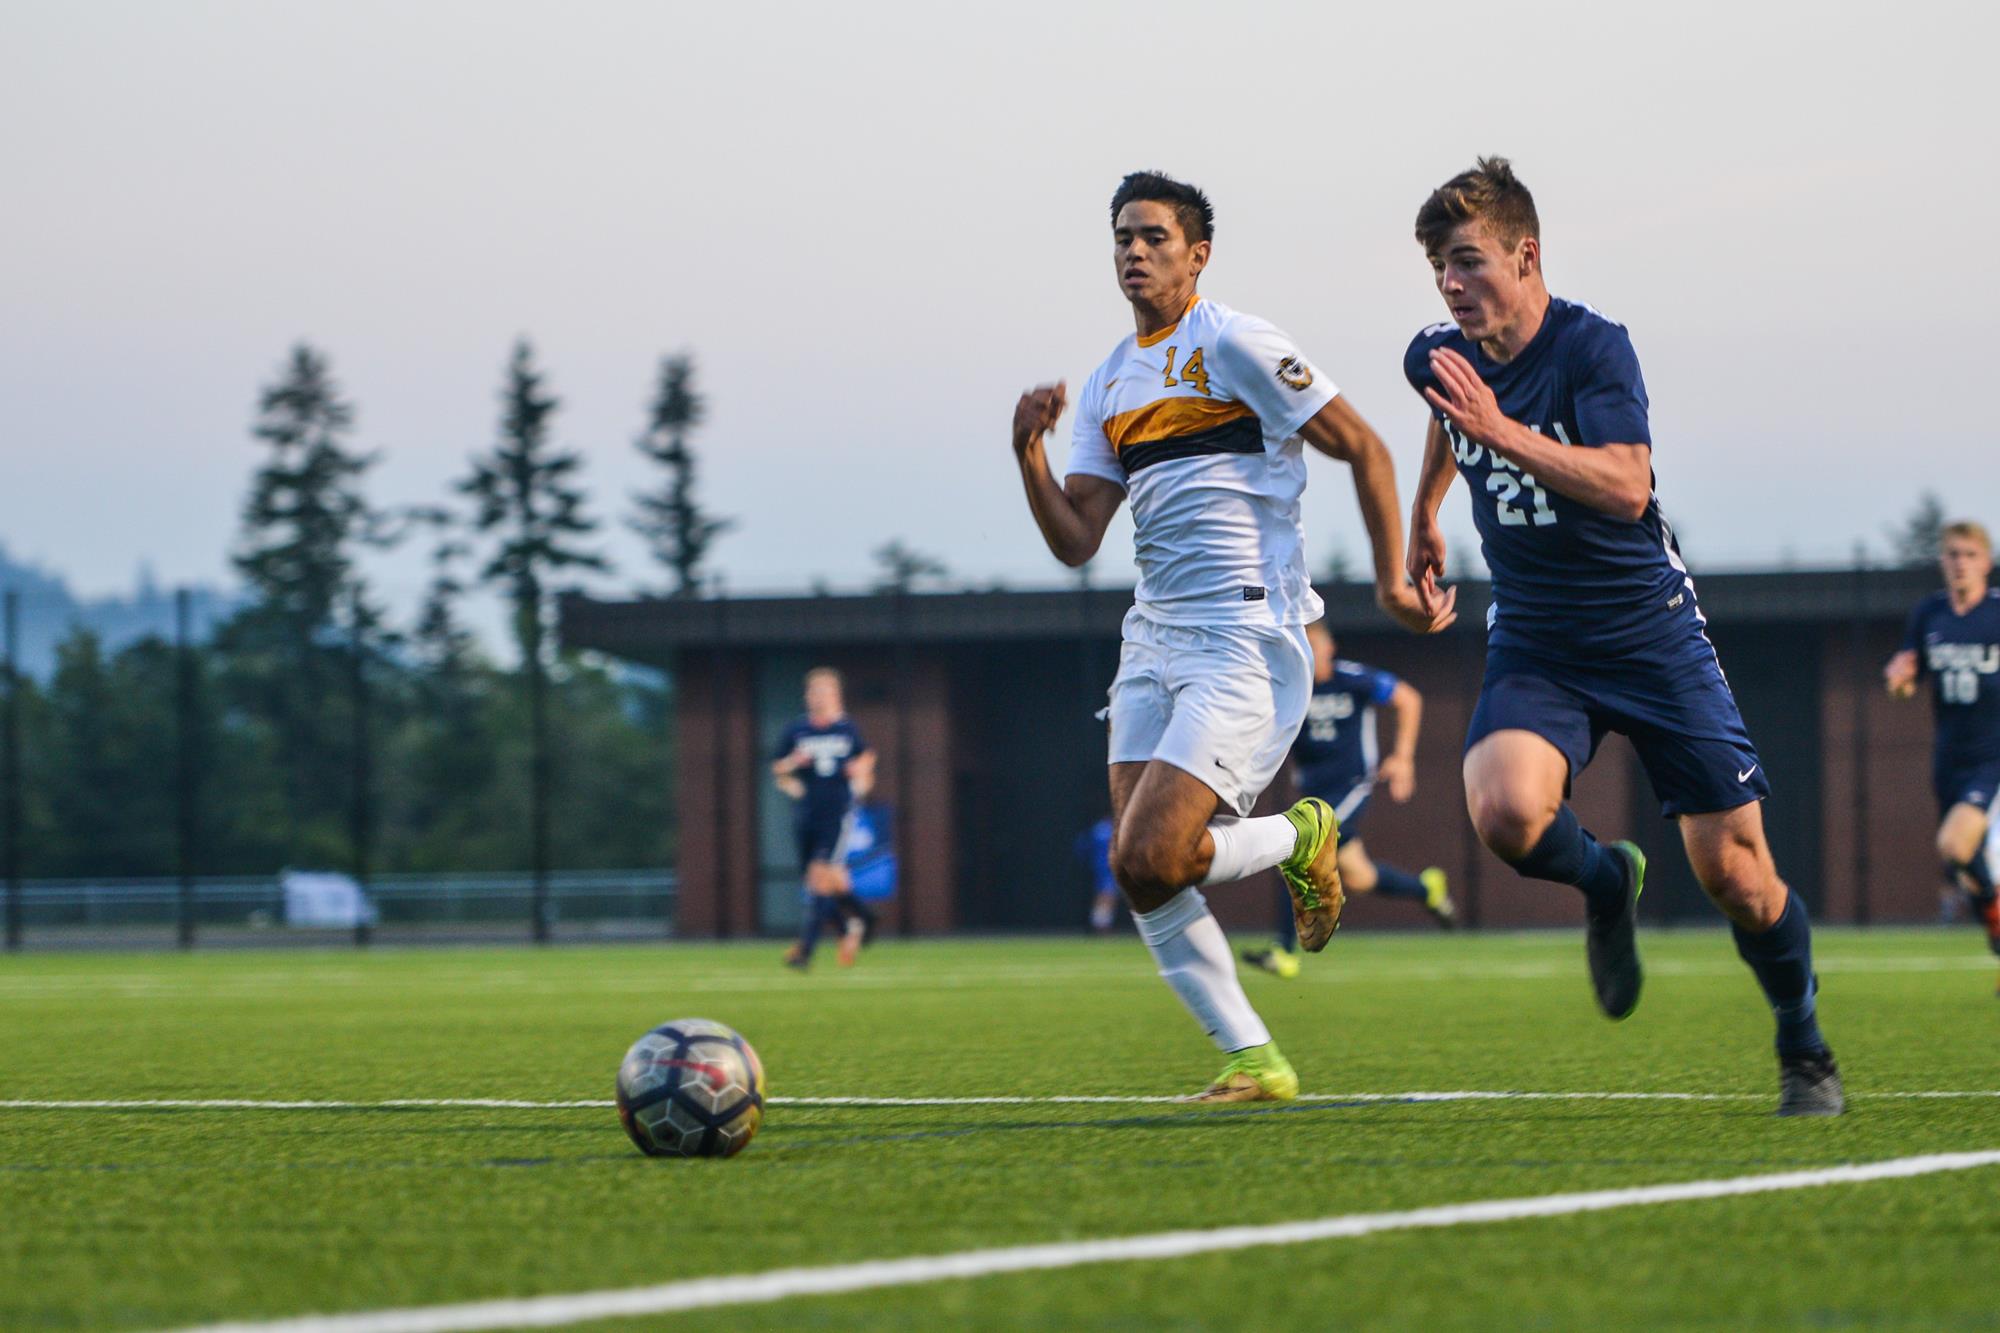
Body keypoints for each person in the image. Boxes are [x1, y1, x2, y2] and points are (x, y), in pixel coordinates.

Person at [1401, 157, 1842, 1115]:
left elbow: (1626, 485)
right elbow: (1447, 419)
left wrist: (1502, 432)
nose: (1450, 282)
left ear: (1527, 254)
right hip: (1537, 637)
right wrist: (1425, 510)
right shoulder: (1439, 355)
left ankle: (1803, 1043)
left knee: (1736, 873)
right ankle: (1608, 883)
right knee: (1505, 813)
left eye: (1468, 260)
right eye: (1438, 264)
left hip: (1650, 633)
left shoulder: (1595, 350)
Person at [1011, 170, 1452, 1103]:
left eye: (1156, 237)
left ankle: (1303, 832)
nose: (1135, 250)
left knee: (1149, 853)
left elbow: (1364, 447)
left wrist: (1387, 580)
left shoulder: (1238, 342)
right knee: (1143, 869)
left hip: (1243, 635)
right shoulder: (1105, 382)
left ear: (1197, 254)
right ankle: (1254, 1057)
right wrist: (1029, 454)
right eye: (1123, 237)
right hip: (1152, 638)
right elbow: (1077, 538)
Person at [1244, 621, 1456, 978]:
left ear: (1329, 649)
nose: (1307, 657)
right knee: (1359, 877)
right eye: (1300, 649)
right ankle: (1427, 889)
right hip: (1313, 794)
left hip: (1352, 787)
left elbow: (1408, 699)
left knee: (1298, 847)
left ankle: (1283, 951)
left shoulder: (1354, 679)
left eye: (1313, 647)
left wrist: (1402, 757)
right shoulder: (1290, 690)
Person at [1884, 521, 2000, 969]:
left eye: (1970, 555)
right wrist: (1898, 680)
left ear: (1986, 563)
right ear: (1942, 562)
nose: (1960, 563)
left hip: (1992, 756)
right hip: (1949, 757)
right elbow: (1905, 681)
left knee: (1953, 845)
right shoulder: (1929, 613)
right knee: (1966, 869)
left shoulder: (1995, 612)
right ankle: (1993, 916)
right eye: (1952, 554)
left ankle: (1994, 917)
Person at [771, 667, 877, 969]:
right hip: (807, 812)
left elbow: (867, 756)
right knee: (827, 880)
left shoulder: (846, 729)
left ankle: (805, 950)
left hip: (837, 811)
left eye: (825, 692)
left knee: (819, 879)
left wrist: (861, 772)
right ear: (808, 696)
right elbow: (778, 768)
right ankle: (860, 921)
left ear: (835, 696)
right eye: (814, 691)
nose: (819, 697)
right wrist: (793, 765)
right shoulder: (797, 730)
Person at [1077, 814, 1120, 932]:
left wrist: (1087, 862)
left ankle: (1099, 923)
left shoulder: (1096, 830)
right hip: (1108, 868)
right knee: (1107, 896)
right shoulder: (1112, 831)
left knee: (1103, 896)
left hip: (1099, 868)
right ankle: (1101, 925)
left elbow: (1082, 846)